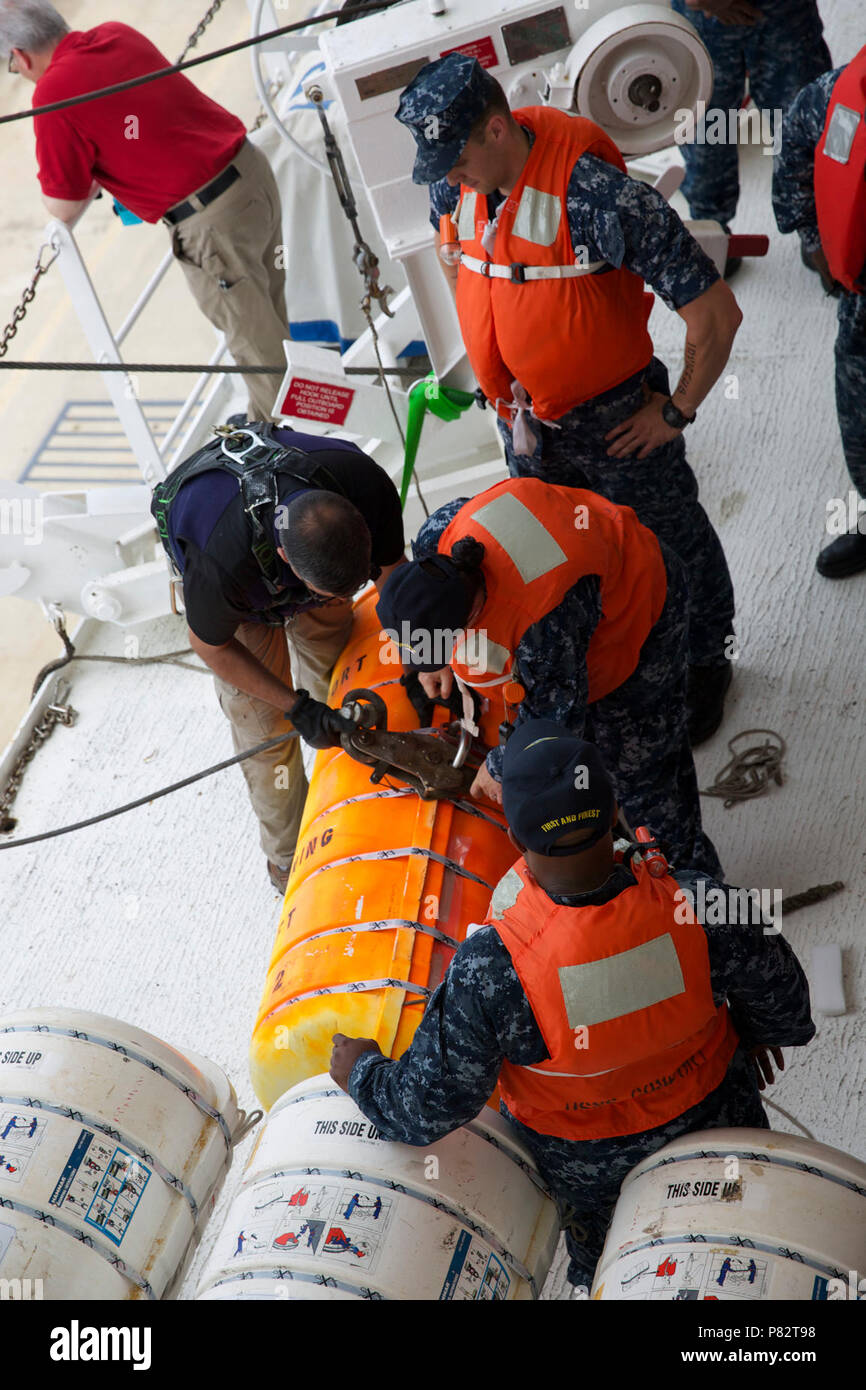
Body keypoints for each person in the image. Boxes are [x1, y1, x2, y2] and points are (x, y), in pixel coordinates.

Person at [329, 720, 815, 1292]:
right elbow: (789, 1013)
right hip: (721, 1139)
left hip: (591, 1183)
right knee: (739, 1261)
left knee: (619, 1274)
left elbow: (422, 1111)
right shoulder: (703, 906)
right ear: (614, 813)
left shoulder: (492, 970)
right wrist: (748, 1034)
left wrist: (359, 1070)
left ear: (514, 834)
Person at [395, 52, 743, 745]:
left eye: (455, 159)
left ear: (496, 130)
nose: (446, 179)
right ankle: (605, 662)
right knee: (558, 560)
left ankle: (707, 662)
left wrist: (674, 412)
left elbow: (715, 313)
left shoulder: (599, 198)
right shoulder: (452, 191)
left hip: (620, 425)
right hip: (528, 428)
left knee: (671, 545)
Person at [377, 476, 721, 877]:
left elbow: (555, 722)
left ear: (466, 619)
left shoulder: (539, 623)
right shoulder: (440, 534)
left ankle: (695, 889)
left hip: (642, 604)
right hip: (605, 546)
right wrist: (434, 659)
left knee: (644, 770)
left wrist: (501, 764)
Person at [1, 0, 290, 422]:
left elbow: (62, 204)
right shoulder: (118, 33)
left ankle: (286, 450)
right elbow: (134, 115)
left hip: (212, 222)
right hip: (251, 175)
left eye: (12, 67)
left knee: (256, 347)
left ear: (21, 56)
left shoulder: (52, 94)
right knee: (272, 323)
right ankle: (283, 420)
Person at [151, 421, 407, 891]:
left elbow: (392, 573)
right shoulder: (220, 565)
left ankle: (347, 760)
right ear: (289, 562)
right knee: (267, 732)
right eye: (334, 589)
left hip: (312, 565)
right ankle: (287, 859)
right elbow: (210, 646)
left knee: (336, 654)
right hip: (242, 602)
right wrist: (296, 706)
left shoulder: (363, 481)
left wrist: (421, 654)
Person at [771, 49, 866, 579]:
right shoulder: (836, 96)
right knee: (860, 418)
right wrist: (814, 238)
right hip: (863, 304)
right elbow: (796, 153)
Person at [671, 0, 831, 271]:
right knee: (709, 135)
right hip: (705, 18)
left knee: (802, 124)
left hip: (784, 15)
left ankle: (820, 234)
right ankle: (710, 232)